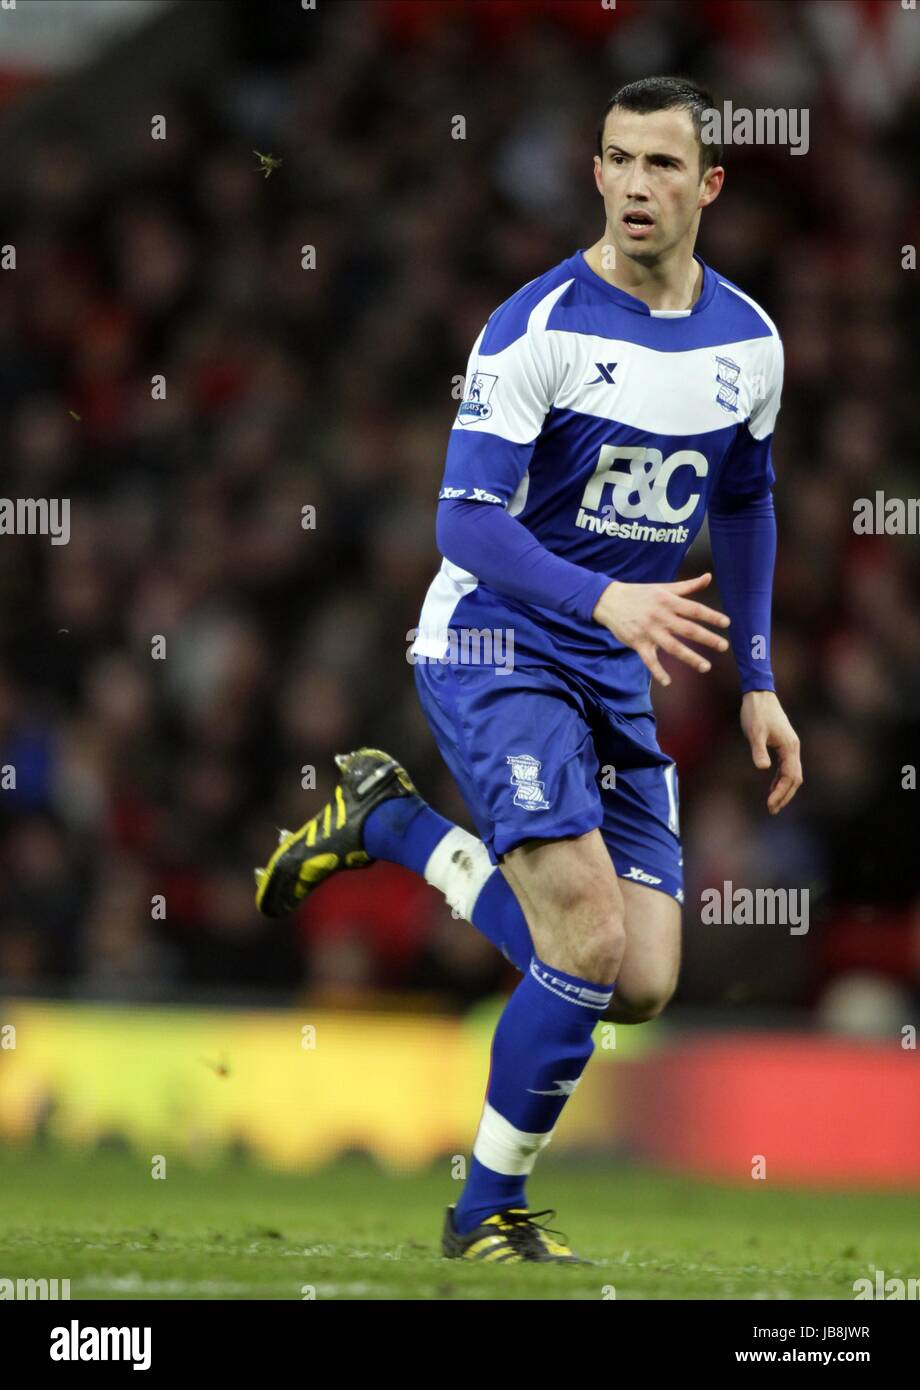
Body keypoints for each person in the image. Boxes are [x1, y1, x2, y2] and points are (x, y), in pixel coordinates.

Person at [254, 76, 802, 1264]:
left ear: (707, 184)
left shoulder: (747, 343)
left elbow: (748, 496)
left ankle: (395, 828)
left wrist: (755, 676)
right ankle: (480, 1215)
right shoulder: (533, 325)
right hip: (495, 642)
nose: (636, 186)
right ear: (594, 173)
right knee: (588, 944)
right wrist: (605, 593)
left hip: (604, 664)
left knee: (641, 979)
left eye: (662, 164)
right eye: (617, 160)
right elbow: (465, 525)